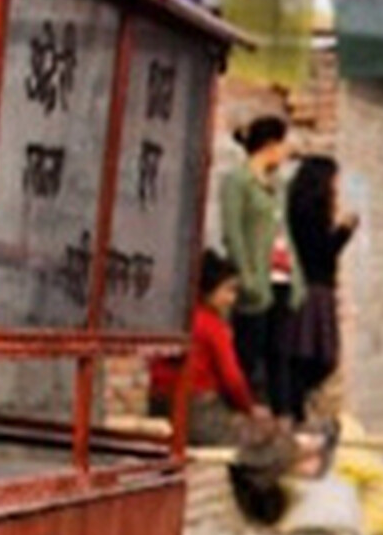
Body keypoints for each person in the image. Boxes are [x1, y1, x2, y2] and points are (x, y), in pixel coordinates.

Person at [220, 116, 303, 413]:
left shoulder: (277, 185)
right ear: (270, 145)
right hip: (256, 279)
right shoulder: (238, 181)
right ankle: (242, 417)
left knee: (280, 355)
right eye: (282, 144)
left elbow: (286, 232)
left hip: (282, 277)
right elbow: (232, 233)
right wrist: (246, 276)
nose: (285, 151)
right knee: (249, 353)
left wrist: (297, 278)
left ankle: (282, 419)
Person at [148, 250, 270, 446]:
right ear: (210, 289)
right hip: (199, 414)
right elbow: (232, 379)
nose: (232, 299)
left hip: (160, 408)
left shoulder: (175, 318)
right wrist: (250, 408)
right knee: (272, 438)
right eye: (228, 290)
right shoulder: (212, 326)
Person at [283, 154, 357, 423]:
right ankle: (296, 406)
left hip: (316, 286)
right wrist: (344, 231)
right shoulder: (310, 213)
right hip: (313, 287)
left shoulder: (301, 207)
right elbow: (322, 252)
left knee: (312, 356)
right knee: (315, 355)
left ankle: (298, 405)